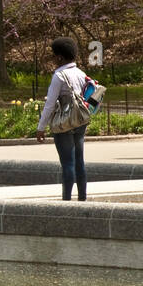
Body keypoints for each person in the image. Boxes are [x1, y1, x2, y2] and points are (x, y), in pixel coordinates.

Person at [36, 36, 90, 201]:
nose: (53, 59)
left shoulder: (59, 76)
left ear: (59, 56)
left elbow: (50, 104)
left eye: (54, 56)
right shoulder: (81, 73)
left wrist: (41, 127)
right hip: (80, 120)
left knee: (67, 162)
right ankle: (82, 198)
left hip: (63, 124)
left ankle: (66, 200)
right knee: (79, 161)